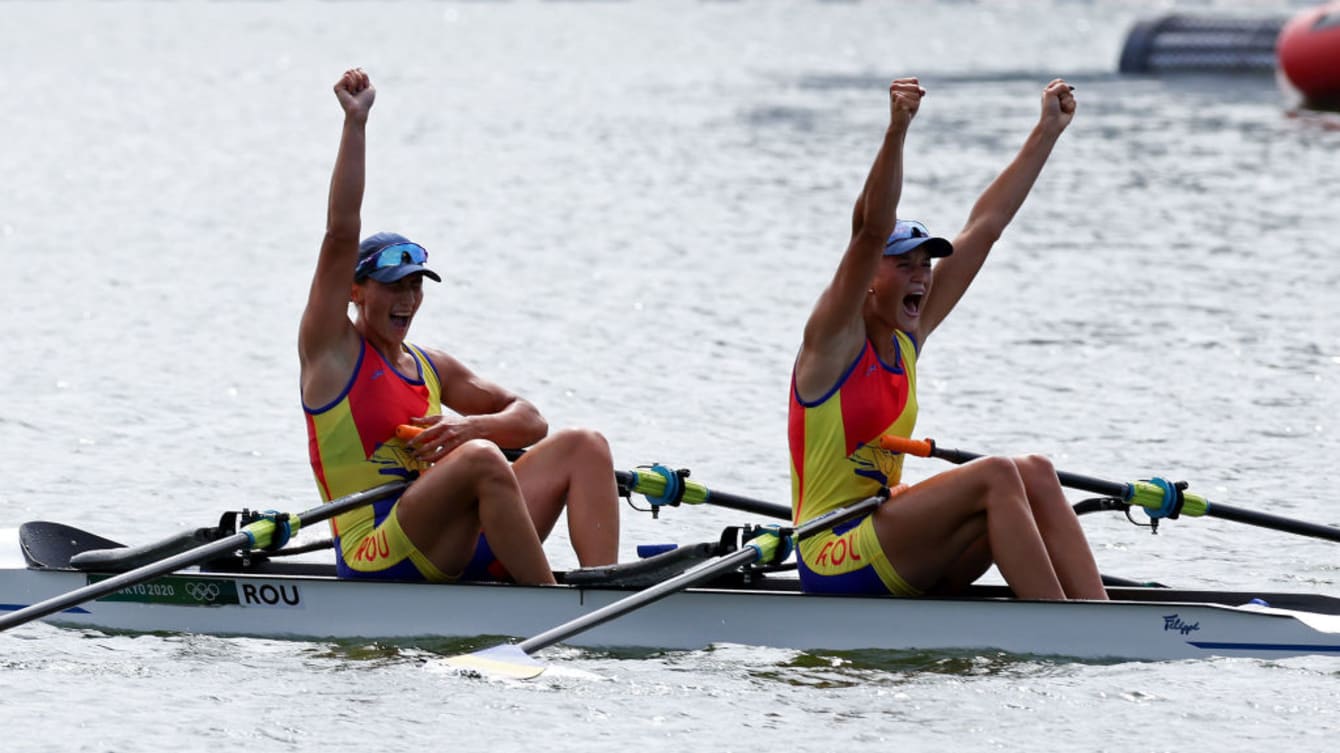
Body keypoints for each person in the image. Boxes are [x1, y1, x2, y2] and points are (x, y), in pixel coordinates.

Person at [789, 77, 1108, 601]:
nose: (921, 275)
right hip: (830, 553)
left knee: (1034, 472)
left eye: (925, 264)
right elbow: (869, 231)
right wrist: (897, 131)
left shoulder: (908, 336)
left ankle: (1096, 613)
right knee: (996, 474)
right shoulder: (832, 340)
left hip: (887, 537)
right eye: (904, 265)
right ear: (868, 277)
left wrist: (1047, 131)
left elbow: (985, 226)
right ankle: (1063, 625)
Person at [299, 68, 620, 586]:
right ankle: (550, 601)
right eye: (393, 286)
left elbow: (531, 420)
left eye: (415, 286)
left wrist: (470, 427)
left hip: (453, 539)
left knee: (586, 446)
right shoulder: (332, 352)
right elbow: (340, 233)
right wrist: (355, 124)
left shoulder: (430, 366)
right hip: (376, 552)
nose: (407, 299)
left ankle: (604, 594)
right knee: (481, 461)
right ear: (355, 291)